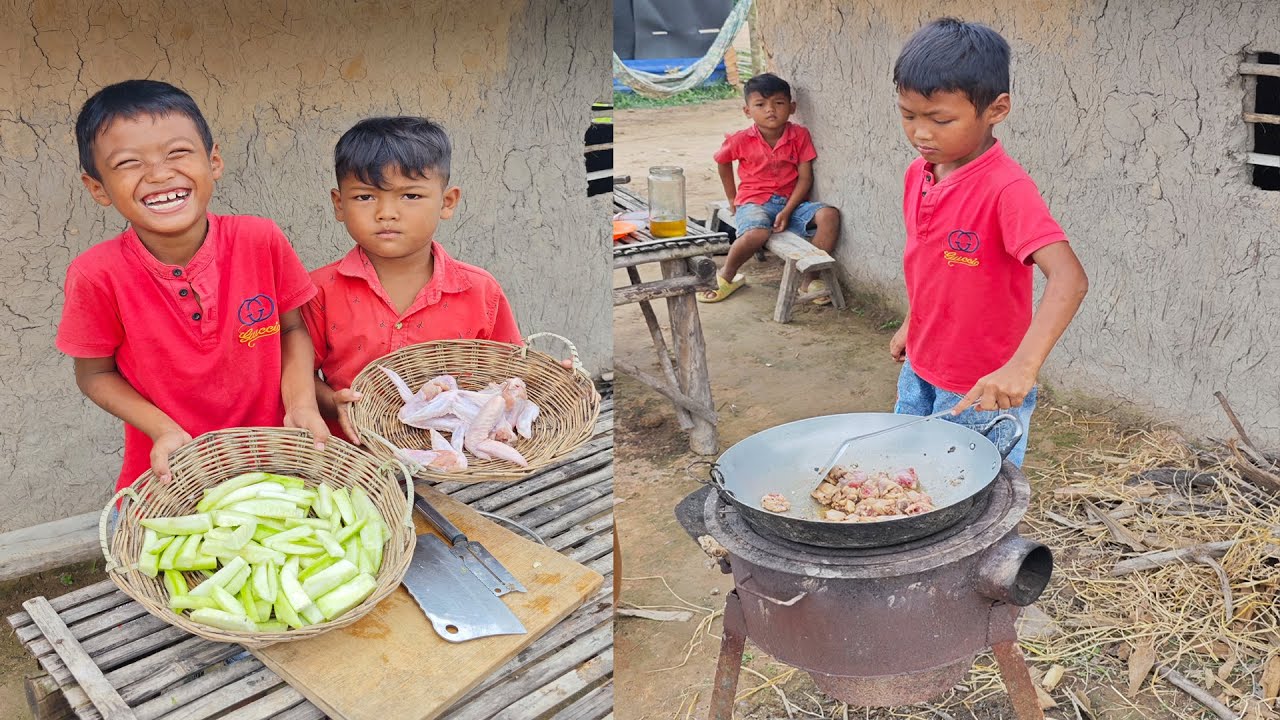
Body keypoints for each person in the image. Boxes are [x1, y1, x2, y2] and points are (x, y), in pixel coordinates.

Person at [56, 79, 329, 491]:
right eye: (129, 162)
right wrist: (162, 429)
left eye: (178, 152)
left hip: (279, 455)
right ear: (98, 188)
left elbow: (291, 329)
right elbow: (94, 374)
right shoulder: (97, 274)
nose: (159, 174)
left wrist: (302, 403)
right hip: (175, 470)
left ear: (213, 161)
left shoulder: (260, 239)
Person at [890, 18, 1089, 466]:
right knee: (910, 477)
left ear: (996, 110)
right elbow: (932, 267)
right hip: (920, 368)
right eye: (908, 115)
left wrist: (1022, 367)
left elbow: (1070, 279)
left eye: (941, 119)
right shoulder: (917, 174)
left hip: (981, 388)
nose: (921, 133)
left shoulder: (1005, 189)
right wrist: (913, 322)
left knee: (973, 496)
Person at [302, 116, 526, 443]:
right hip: (354, 456)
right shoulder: (319, 291)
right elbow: (299, 378)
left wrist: (539, 386)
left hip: (456, 457)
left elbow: (510, 374)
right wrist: (331, 402)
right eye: (365, 197)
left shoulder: (480, 291)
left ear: (447, 202)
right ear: (339, 204)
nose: (386, 213)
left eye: (410, 196)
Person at [701, 73, 841, 303]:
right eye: (760, 104)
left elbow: (805, 179)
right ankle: (727, 274)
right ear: (747, 111)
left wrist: (787, 211)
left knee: (829, 215)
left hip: (792, 203)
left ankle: (808, 279)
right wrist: (732, 198)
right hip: (754, 202)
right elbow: (722, 162)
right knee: (757, 232)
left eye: (778, 103)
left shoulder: (799, 135)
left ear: (792, 107)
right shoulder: (740, 139)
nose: (770, 110)